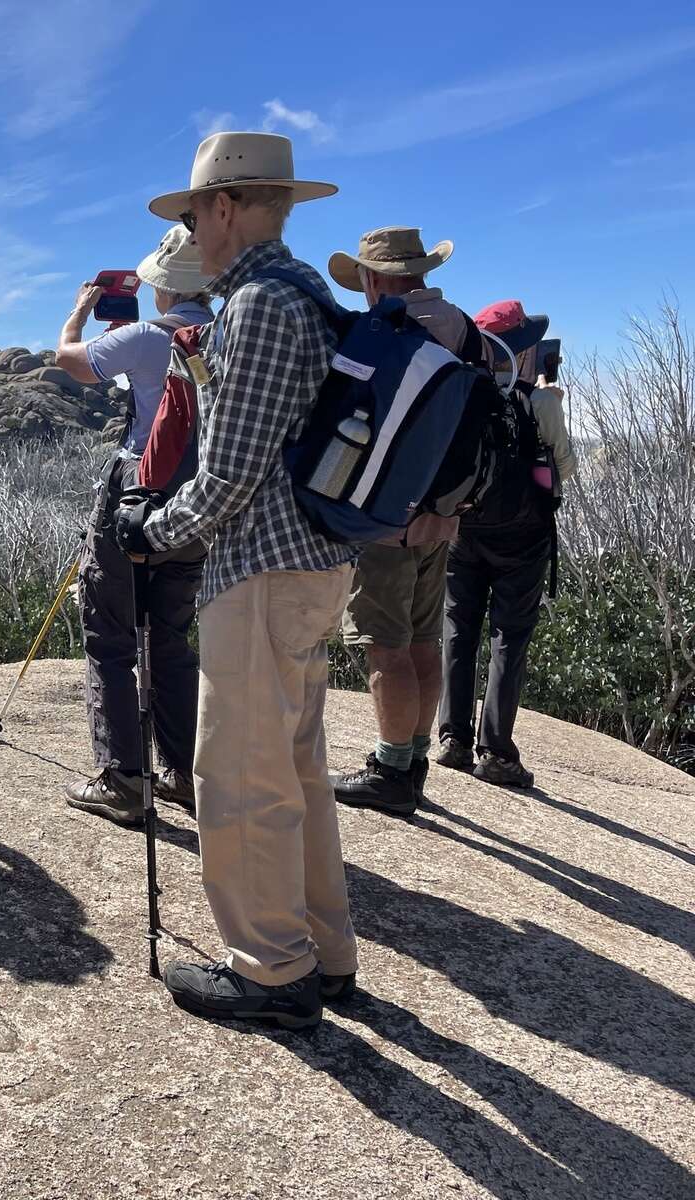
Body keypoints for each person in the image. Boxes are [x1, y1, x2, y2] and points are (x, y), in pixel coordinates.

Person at [116, 131, 356, 1029]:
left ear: (223, 207)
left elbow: (229, 475)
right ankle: (323, 955)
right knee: (295, 767)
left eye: (191, 213)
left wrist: (156, 532)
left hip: (260, 570)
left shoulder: (256, 305)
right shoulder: (309, 294)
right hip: (316, 563)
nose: (190, 231)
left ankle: (271, 970)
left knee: (243, 776)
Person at [53, 226, 214, 825]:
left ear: (164, 288)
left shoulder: (148, 338)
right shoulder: (226, 336)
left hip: (138, 491)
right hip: (203, 496)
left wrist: (77, 316)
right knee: (171, 632)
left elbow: (71, 362)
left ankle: (123, 777)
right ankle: (184, 771)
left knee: (111, 629)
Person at [325, 228, 481, 818]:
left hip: (383, 516)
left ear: (374, 276)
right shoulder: (465, 329)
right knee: (421, 637)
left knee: (384, 644)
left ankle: (391, 772)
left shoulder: (384, 330)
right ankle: (414, 761)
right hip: (445, 511)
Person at [437, 300, 576, 788]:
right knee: (508, 637)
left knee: (458, 627)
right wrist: (550, 402)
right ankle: (496, 752)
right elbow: (563, 470)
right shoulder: (541, 402)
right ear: (521, 351)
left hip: (464, 528)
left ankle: (452, 738)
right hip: (522, 536)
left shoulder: (464, 390)